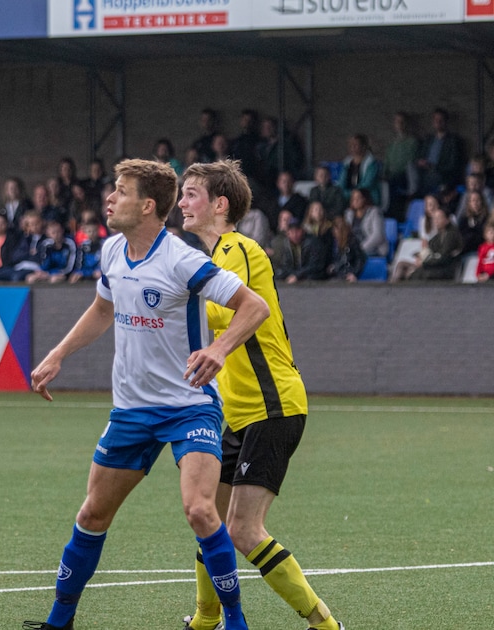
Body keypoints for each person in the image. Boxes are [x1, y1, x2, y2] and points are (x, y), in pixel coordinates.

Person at [23, 159, 269, 630]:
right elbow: (102, 307)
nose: (110, 199)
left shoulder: (183, 259)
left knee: (200, 509)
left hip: (190, 406)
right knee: (92, 513)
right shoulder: (113, 250)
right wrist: (58, 354)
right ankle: (59, 621)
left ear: (149, 205)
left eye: (121, 191)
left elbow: (251, 307)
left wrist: (218, 349)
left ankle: (235, 622)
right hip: (132, 410)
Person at [178, 160, 344, 630]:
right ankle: (206, 619)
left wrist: (210, 344)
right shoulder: (210, 260)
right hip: (240, 415)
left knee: (243, 530)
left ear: (219, 204)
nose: (182, 203)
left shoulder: (242, 249)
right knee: (207, 518)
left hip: (274, 408)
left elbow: (249, 309)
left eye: (191, 194)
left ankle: (324, 624)